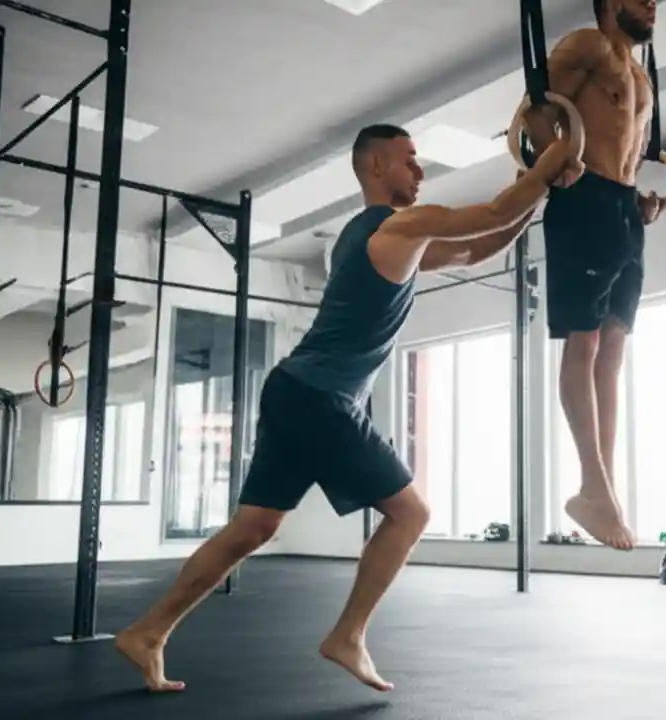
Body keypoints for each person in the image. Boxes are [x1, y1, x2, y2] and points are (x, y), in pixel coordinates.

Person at [115, 124, 582, 694]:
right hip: (322, 398)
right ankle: (349, 636)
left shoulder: (379, 238)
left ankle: (150, 631)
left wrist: (537, 188)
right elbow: (489, 212)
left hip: (293, 389)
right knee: (411, 515)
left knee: (253, 527)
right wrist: (545, 166)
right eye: (411, 160)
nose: (420, 170)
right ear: (377, 166)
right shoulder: (396, 226)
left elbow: (481, 245)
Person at [521, 0, 664, 551]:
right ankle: (593, 485)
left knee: (614, 351)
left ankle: (601, 488)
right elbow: (535, 112)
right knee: (582, 343)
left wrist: (641, 205)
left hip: (626, 208)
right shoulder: (586, 45)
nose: (652, 3)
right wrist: (557, 158)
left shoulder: (641, 74)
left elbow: (629, 147)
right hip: (583, 197)